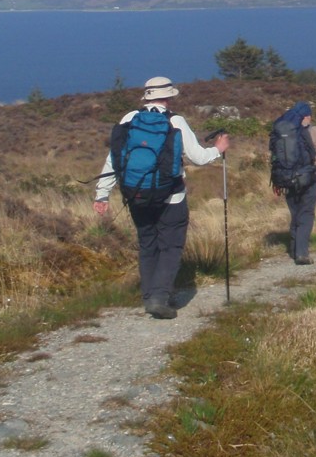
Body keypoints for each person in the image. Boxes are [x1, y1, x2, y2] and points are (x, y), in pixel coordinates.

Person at [93, 76, 229, 319]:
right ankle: (160, 297)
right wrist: (218, 150)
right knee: (170, 246)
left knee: (148, 244)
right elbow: (198, 157)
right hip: (171, 197)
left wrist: (102, 194)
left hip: (136, 195)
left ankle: (149, 297)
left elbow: (113, 159)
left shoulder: (128, 119)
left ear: (147, 96)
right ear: (168, 96)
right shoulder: (175, 121)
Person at [274, 101, 316, 265]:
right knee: (306, 214)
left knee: (296, 213)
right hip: (308, 178)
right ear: (306, 116)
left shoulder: (283, 132)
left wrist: (277, 181)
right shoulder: (315, 131)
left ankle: (293, 249)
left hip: (286, 178)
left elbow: (276, 158)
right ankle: (302, 253)